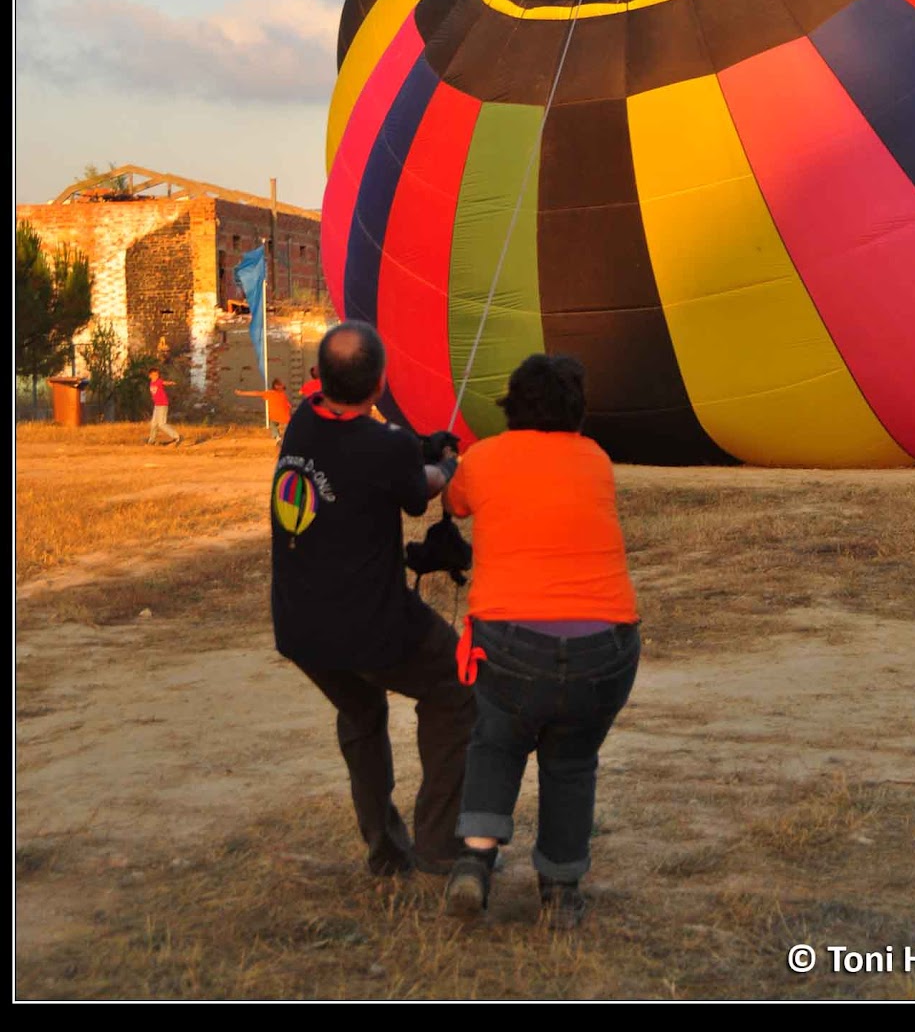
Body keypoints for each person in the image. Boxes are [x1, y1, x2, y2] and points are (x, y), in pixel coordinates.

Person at [270, 320, 475, 878]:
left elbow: (372, 455)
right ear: (381, 384)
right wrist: (444, 464)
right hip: (370, 624)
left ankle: (385, 851)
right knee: (457, 687)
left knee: (359, 708)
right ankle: (439, 844)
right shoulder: (386, 448)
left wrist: (414, 450)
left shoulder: (301, 425)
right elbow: (419, 489)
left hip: (301, 628)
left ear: (320, 378)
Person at [442, 353, 640, 928]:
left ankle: (475, 864)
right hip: (605, 650)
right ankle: (560, 893)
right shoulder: (596, 459)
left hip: (509, 645)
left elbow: (455, 504)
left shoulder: (484, 459)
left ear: (511, 407)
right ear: (577, 412)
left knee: (496, 742)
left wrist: (451, 461)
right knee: (572, 762)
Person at [146, 369, 181, 445]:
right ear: (150, 376)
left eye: (157, 375)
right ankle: (151, 441)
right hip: (157, 405)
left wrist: (170, 383)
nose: (156, 376)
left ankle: (177, 437)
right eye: (154, 375)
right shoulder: (151, 383)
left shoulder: (158, 381)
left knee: (161, 424)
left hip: (163, 404)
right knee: (154, 424)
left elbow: (164, 382)